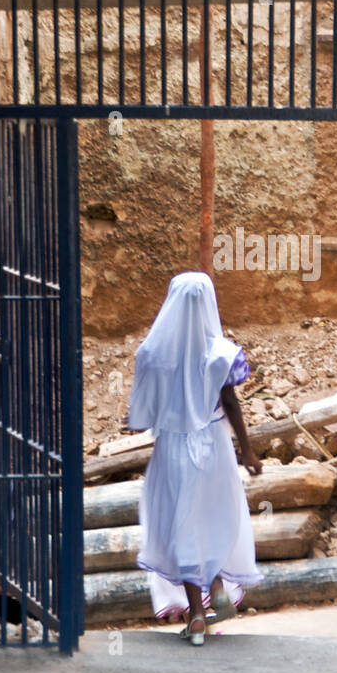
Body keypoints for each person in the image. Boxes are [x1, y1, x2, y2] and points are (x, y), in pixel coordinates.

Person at [127, 271, 263, 645]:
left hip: (173, 446)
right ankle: (217, 585)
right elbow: (231, 402)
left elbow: (141, 415)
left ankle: (197, 615)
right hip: (214, 445)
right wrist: (248, 451)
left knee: (179, 523)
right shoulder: (221, 353)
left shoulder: (153, 354)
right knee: (211, 515)